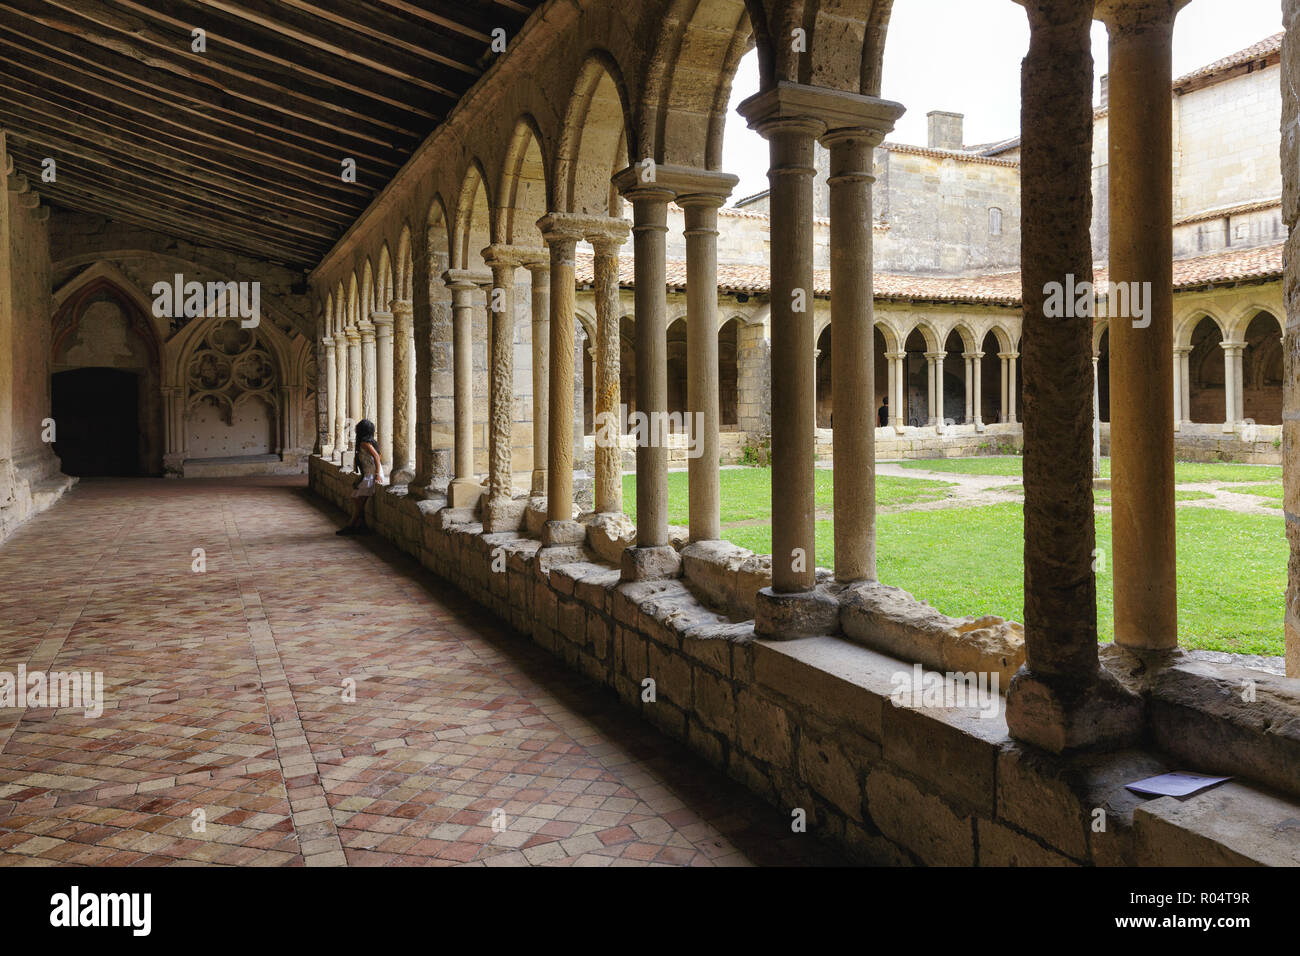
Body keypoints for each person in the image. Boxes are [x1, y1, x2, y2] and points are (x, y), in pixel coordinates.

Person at [338, 419, 384, 535]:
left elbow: (377, 457)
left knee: (358, 500)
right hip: (369, 473)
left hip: (373, 474)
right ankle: (360, 524)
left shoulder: (365, 443)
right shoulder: (368, 442)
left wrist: (377, 474)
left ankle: (351, 526)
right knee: (358, 500)